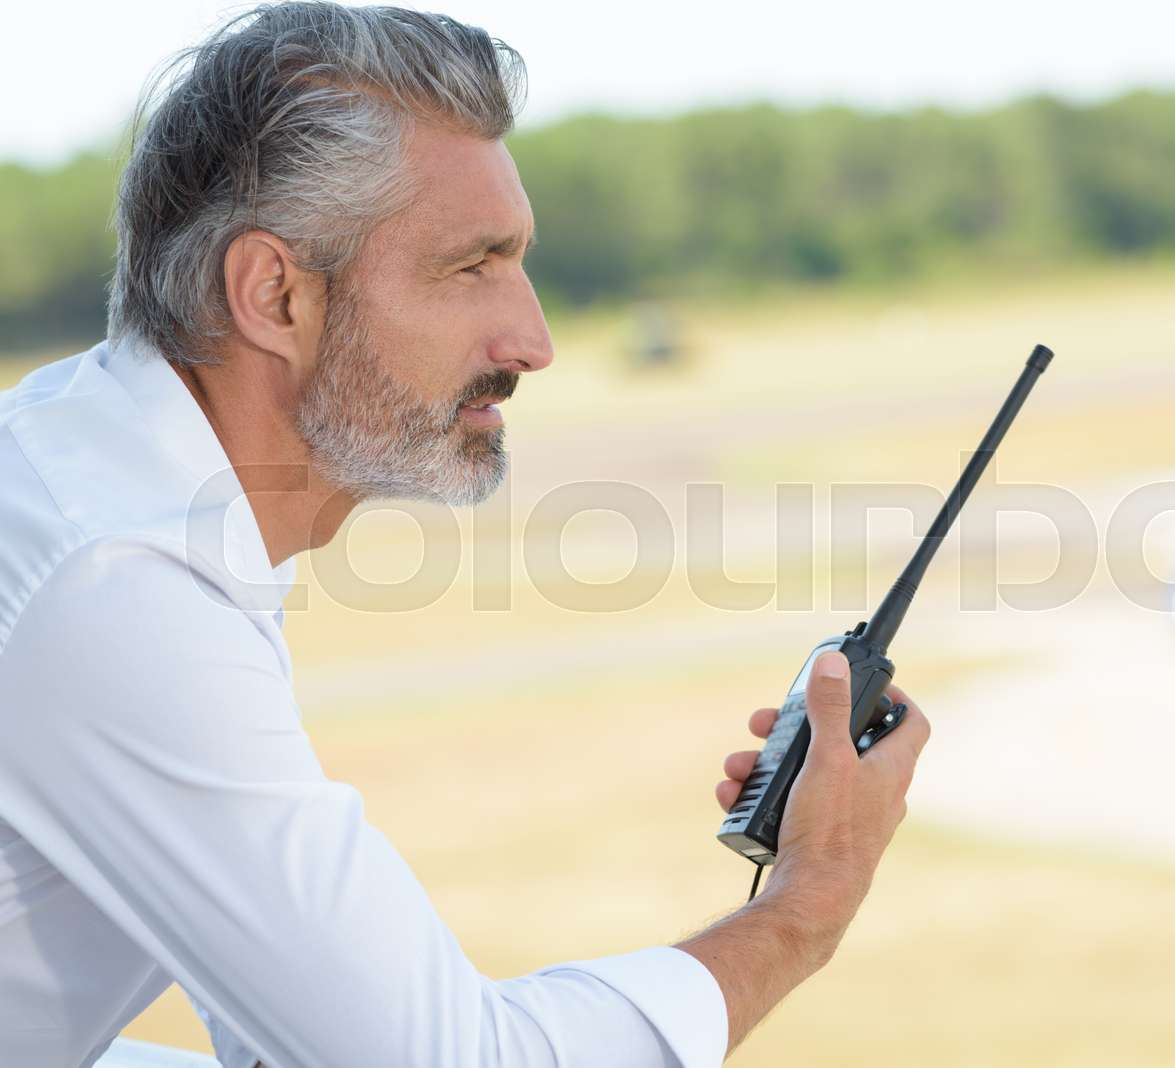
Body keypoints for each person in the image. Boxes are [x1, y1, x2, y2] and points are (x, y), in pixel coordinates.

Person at [0, 5, 930, 1066]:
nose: (531, 341)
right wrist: (811, 898)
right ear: (274, 294)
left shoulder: (108, 486)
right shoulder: (119, 579)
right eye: (471, 266)